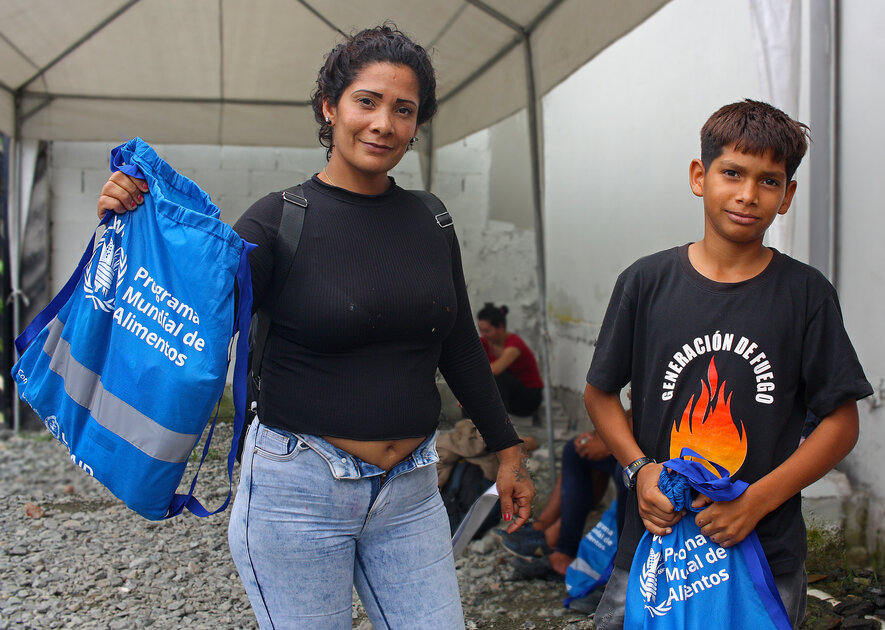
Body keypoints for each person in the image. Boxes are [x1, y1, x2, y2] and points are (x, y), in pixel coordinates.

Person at [96, 24, 533, 630]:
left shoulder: (430, 219)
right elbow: (193, 303)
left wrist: (506, 448)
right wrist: (134, 219)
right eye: (367, 101)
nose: (384, 123)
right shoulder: (279, 220)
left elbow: (457, 343)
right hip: (298, 491)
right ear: (330, 108)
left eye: (403, 110)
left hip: (410, 492)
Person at [583, 99, 873, 630]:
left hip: (764, 553)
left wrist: (755, 502)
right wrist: (640, 469)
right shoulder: (645, 284)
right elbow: (600, 393)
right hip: (657, 544)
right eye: (732, 173)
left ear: (786, 197)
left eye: (769, 181)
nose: (747, 194)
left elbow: (841, 422)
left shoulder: (806, 294)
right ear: (700, 176)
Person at [477, 303, 543, 417]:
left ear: (500, 327)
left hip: (528, 397)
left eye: (487, 331)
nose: (484, 334)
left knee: (494, 377)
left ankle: (500, 420)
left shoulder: (514, 344)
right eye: (481, 330)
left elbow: (494, 370)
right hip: (510, 394)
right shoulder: (483, 343)